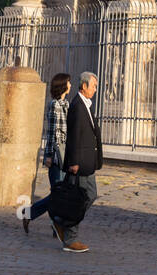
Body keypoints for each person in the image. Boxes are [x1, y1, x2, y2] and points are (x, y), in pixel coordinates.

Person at [57, 71, 103, 253]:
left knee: (87, 195)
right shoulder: (77, 105)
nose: (95, 90)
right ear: (84, 86)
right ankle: (69, 236)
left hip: (87, 161)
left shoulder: (86, 104)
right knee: (82, 198)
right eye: (94, 86)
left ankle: (63, 223)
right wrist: (74, 161)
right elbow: (74, 136)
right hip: (80, 163)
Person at [21, 73, 71, 233]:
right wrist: (48, 155)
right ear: (63, 85)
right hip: (56, 156)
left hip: (65, 155)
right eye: (68, 82)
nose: (71, 84)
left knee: (61, 194)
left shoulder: (65, 104)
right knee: (58, 194)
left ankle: (54, 222)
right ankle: (49, 221)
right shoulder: (54, 105)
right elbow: (52, 133)